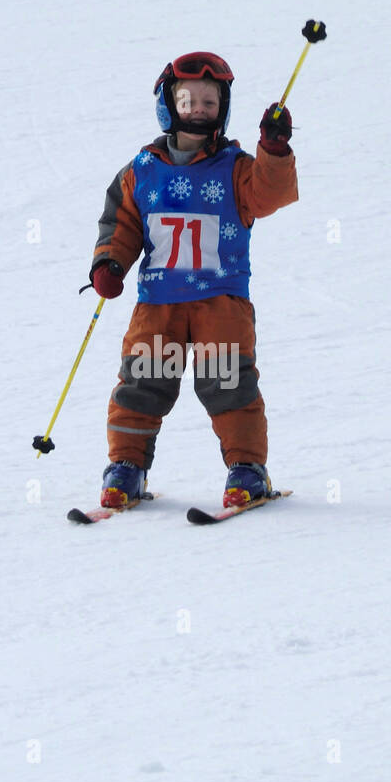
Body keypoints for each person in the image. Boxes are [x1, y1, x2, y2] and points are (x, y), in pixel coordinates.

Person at [85, 51, 298, 509]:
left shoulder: (236, 168)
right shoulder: (143, 170)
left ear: (222, 107)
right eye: (188, 100)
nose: (199, 109)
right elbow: (121, 223)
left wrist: (274, 151)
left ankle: (247, 468)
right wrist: (110, 264)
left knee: (227, 384)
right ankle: (126, 467)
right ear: (169, 104)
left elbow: (268, 193)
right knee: (142, 381)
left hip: (219, 302)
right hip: (158, 301)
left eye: (209, 101)